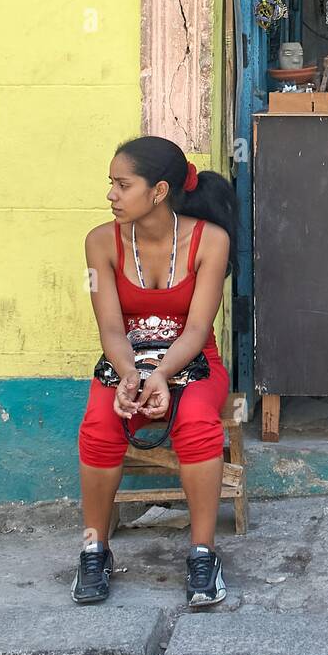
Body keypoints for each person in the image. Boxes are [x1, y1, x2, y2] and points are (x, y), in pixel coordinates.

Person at [74, 136, 236, 607]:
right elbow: (109, 326)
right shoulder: (100, 243)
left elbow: (198, 328)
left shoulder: (211, 241)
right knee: (99, 427)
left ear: (159, 191)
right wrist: (129, 375)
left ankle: (203, 553)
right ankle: (94, 549)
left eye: (123, 185)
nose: (111, 196)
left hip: (193, 362)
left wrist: (161, 375)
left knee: (198, 425)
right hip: (125, 362)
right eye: (111, 185)